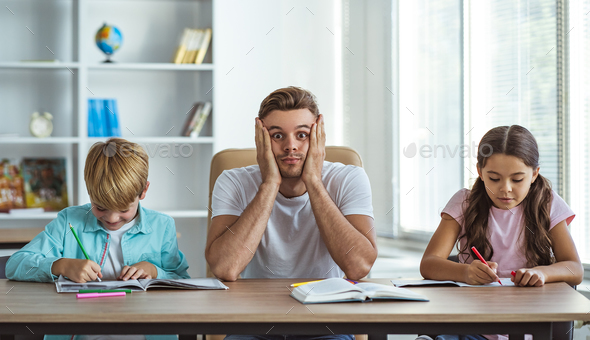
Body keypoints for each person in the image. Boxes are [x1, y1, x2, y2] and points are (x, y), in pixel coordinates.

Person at [206, 86, 377, 340]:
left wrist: (314, 183)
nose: (290, 146)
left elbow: (359, 266)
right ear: (261, 138)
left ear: (319, 136)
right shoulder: (233, 181)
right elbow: (224, 268)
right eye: (277, 136)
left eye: (302, 135)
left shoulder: (349, 178)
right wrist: (269, 185)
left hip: (325, 321)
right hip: (255, 321)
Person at [7, 138, 189, 340]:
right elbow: (15, 264)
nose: (111, 218)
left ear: (143, 191)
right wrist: (60, 265)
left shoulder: (161, 226)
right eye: (100, 207)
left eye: (123, 209)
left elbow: (183, 282)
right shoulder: (69, 221)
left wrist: (155, 271)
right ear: (89, 190)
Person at [419, 125, 583, 340]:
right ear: (479, 172)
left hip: (532, 325)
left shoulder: (548, 203)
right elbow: (429, 264)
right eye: (494, 178)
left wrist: (542, 273)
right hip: (474, 325)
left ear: (534, 174)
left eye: (517, 179)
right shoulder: (464, 202)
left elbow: (575, 269)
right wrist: (465, 272)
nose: (505, 188)